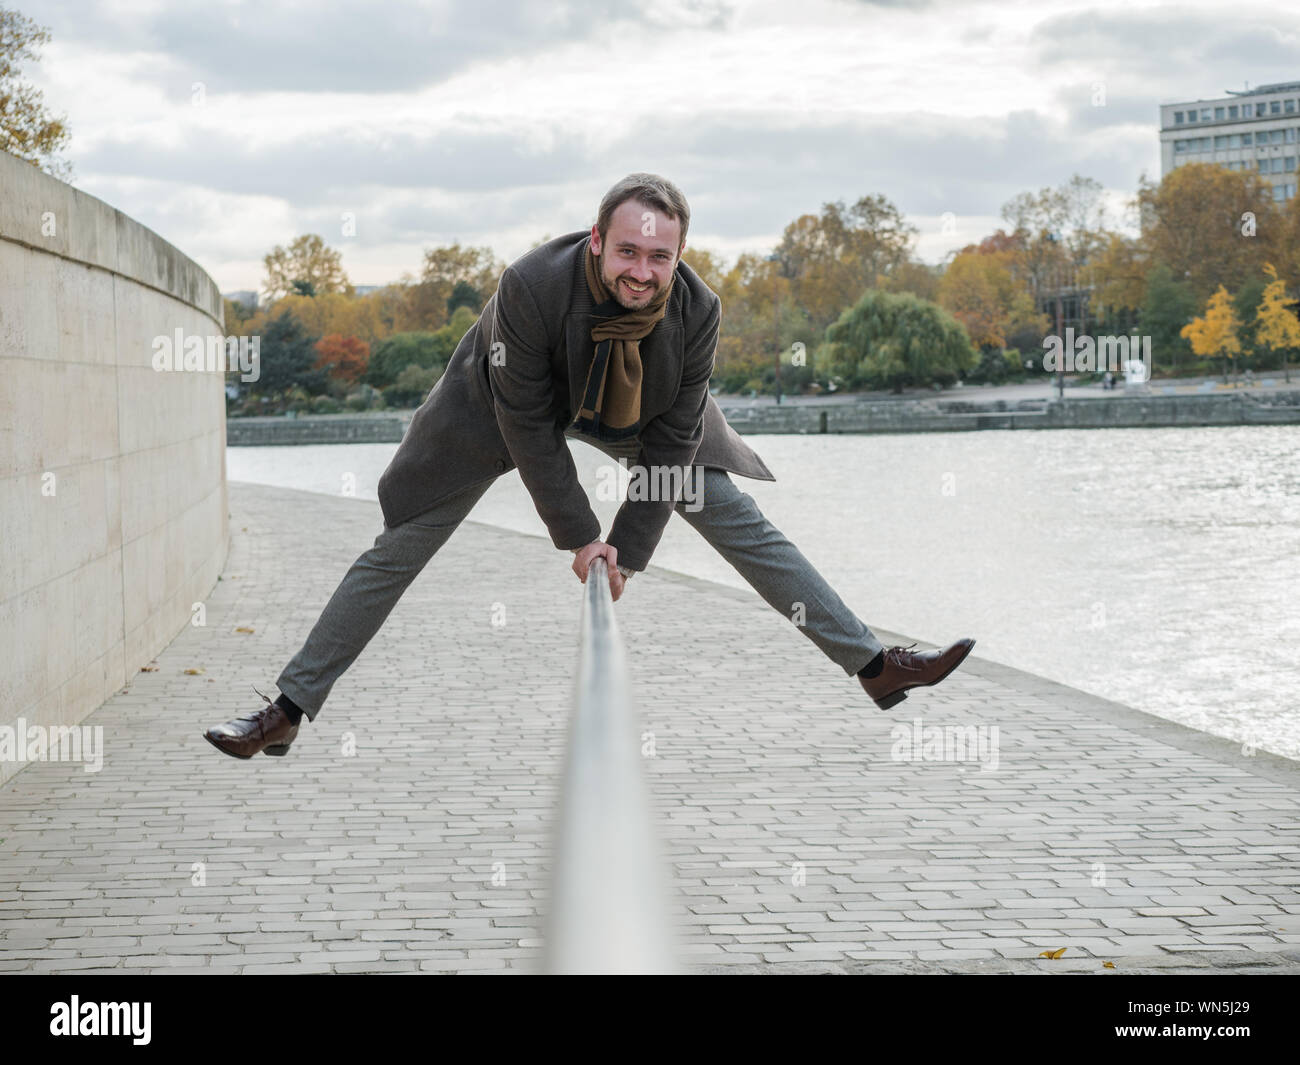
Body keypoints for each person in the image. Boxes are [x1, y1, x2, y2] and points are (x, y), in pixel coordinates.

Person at [204, 173, 975, 759]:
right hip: (504, 405)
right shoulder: (530, 288)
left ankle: (875, 664)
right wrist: (581, 538)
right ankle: (286, 710)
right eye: (629, 250)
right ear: (597, 241)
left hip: (639, 408)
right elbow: (529, 426)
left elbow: (673, 442)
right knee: (399, 546)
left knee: (730, 510)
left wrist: (628, 553)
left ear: (680, 256)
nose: (643, 269)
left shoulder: (697, 313)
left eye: (660, 256)